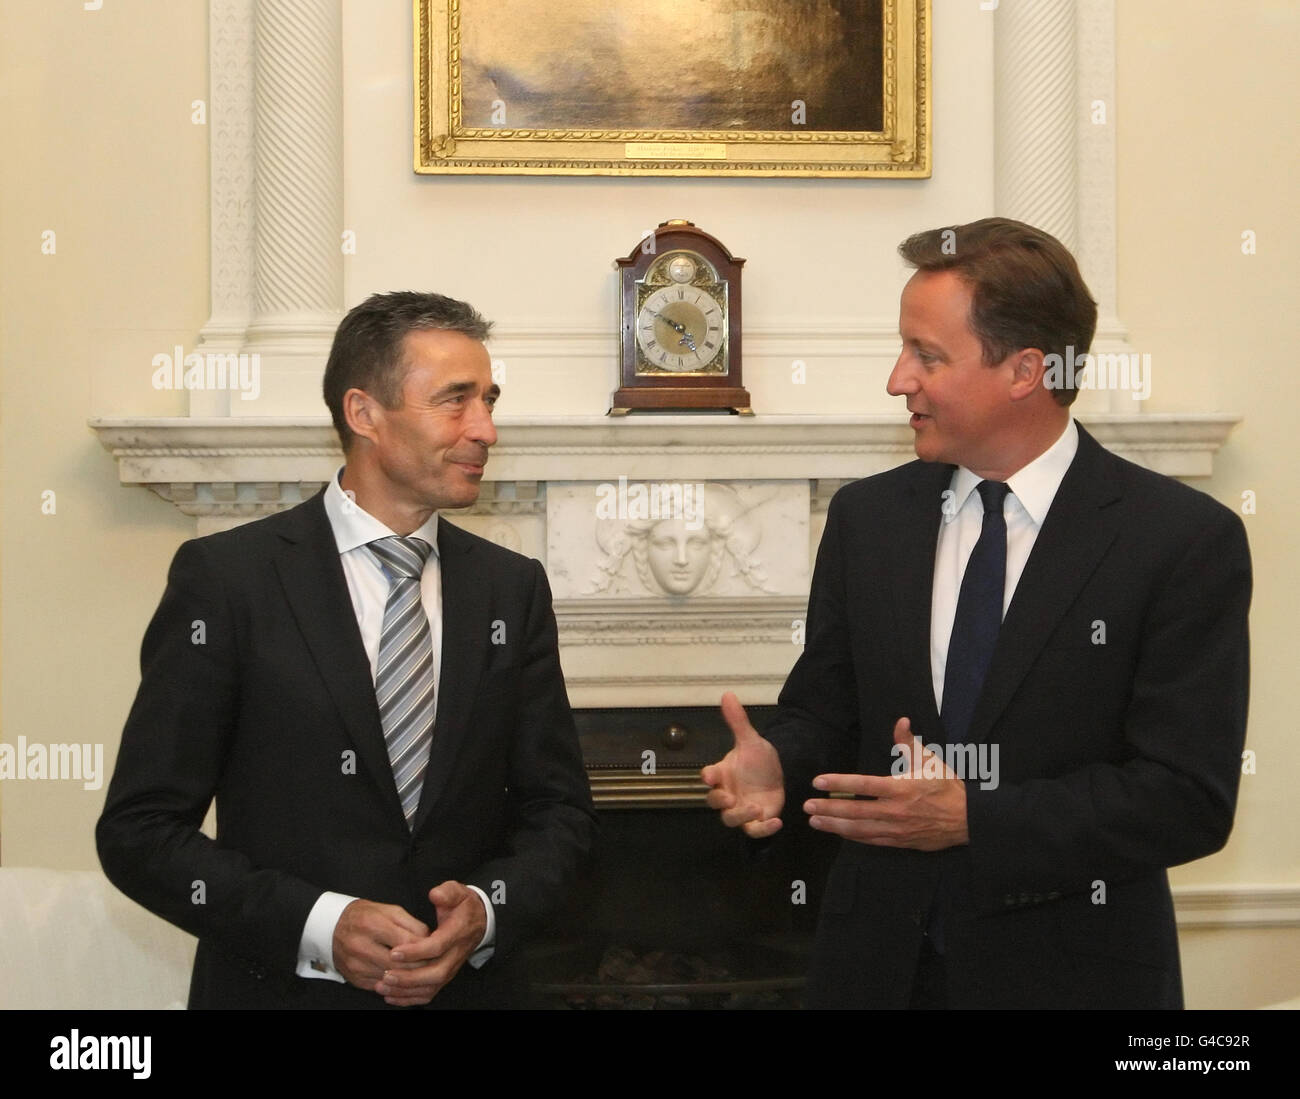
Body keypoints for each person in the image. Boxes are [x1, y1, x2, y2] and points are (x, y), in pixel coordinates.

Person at [702, 218, 1251, 1009]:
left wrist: (976, 817)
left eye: (927, 355)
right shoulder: (869, 519)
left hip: (1075, 980)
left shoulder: (1177, 540)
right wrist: (778, 764)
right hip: (875, 972)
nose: (898, 380)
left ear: (1026, 370)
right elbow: (828, 710)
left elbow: (1185, 797)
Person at [97, 291, 596, 1009]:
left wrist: (485, 913)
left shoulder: (509, 590)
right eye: (455, 400)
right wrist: (316, 925)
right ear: (364, 413)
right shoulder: (229, 581)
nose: (485, 428)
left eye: (488, 399)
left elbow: (563, 814)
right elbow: (139, 832)